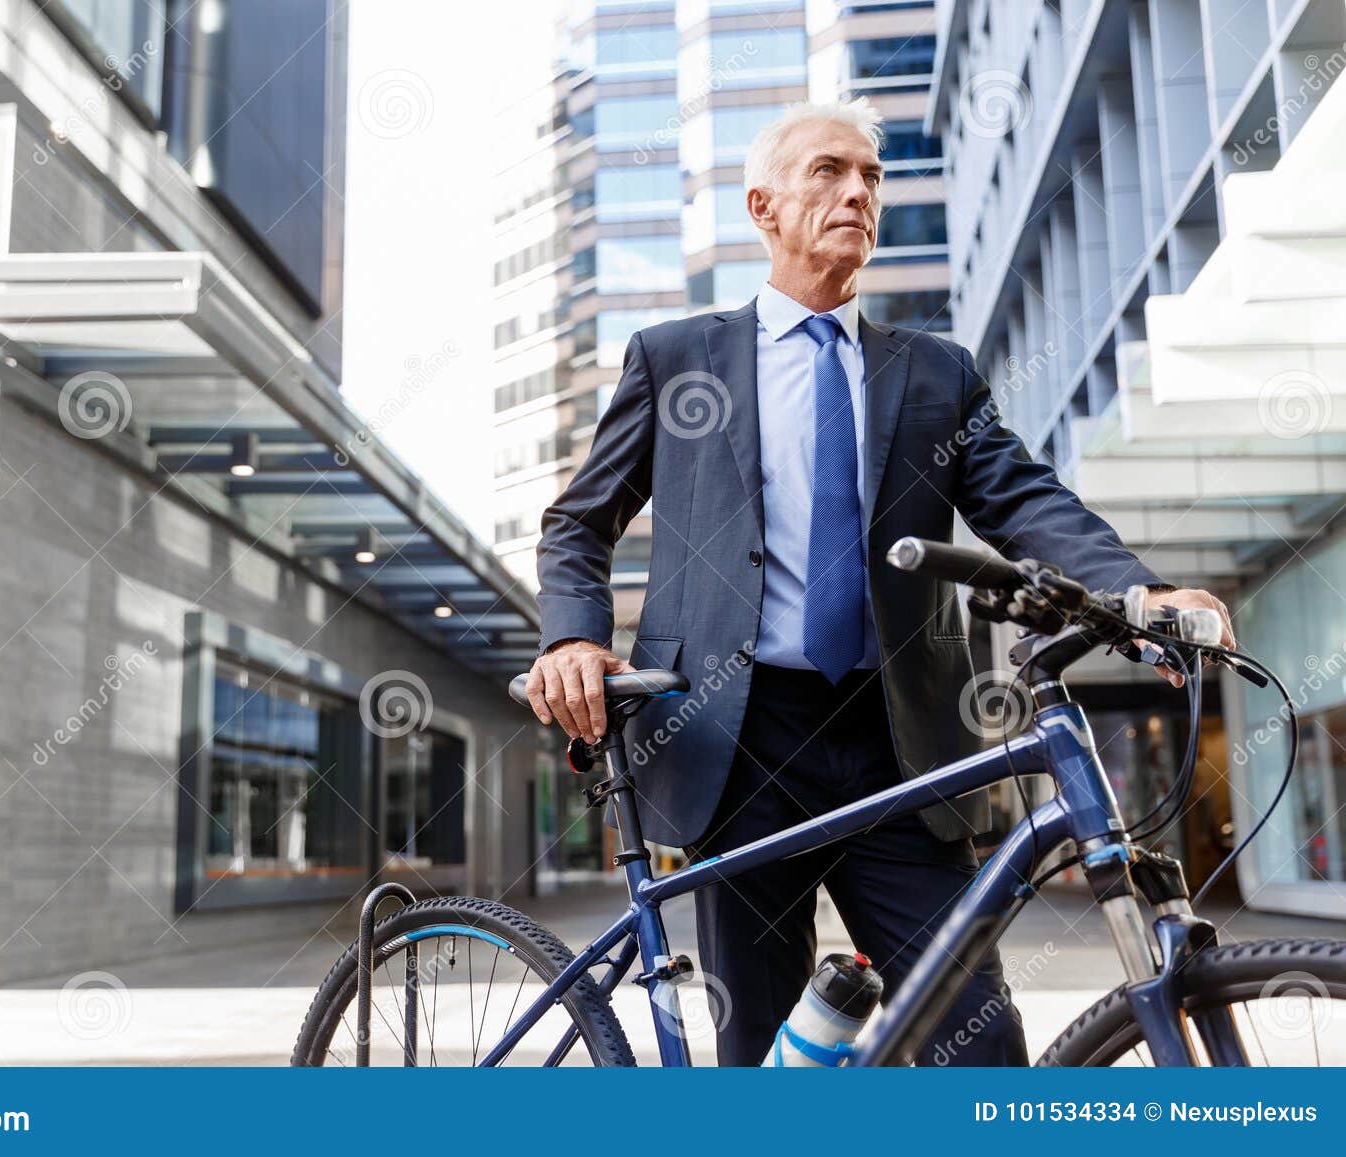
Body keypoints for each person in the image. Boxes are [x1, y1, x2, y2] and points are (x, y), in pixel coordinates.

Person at [524, 98, 1233, 1066]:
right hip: (735, 737)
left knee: (976, 1038)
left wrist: (1140, 593)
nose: (857, 191)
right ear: (763, 206)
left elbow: (1026, 499)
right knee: (758, 1043)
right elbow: (579, 519)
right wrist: (572, 635)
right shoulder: (676, 357)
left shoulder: (933, 372)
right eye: (828, 171)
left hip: (900, 744)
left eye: (870, 176)